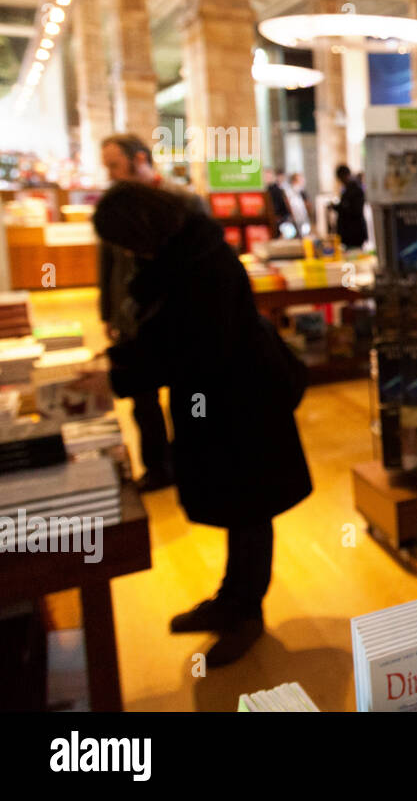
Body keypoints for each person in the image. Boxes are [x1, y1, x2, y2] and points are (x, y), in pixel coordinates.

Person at [84, 181, 312, 667]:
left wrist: (121, 373)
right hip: (219, 401)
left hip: (240, 402)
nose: (125, 251)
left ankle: (246, 610)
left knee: (249, 505)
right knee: (239, 505)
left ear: (140, 228)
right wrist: (122, 362)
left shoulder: (201, 265)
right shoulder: (183, 256)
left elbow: (192, 348)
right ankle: (233, 598)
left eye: (124, 239)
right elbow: (176, 340)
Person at [98, 134, 174, 492]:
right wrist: (109, 314)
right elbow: (108, 265)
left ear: (139, 159)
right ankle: (157, 467)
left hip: (171, 320)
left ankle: (183, 462)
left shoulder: (175, 203)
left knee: (187, 397)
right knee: (143, 401)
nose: (111, 174)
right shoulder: (116, 207)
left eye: (115, 165)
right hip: (131, 320)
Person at [331, 164, 368, 248]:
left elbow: (355, 210)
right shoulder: (348, 188)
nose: (340, 181)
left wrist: (340, 208)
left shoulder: (355, 189)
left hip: (354, 232)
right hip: (349, 232)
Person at [286, 172, 312, 237]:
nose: (303, 181)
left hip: (303, 218)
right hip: (295, 219)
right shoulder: (289, 192)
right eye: (300, 179)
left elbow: (306, 205)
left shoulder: (301, 191)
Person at [266, 171, 291, 236]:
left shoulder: (276, 190)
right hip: (278, 218)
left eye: (269, 176)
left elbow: (282, 204)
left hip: (279, 218)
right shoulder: (268, 189)